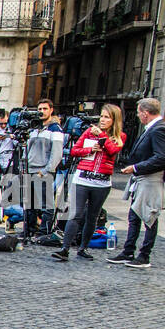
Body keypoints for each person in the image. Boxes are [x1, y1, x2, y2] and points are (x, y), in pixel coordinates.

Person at [53, 104, 126, 263]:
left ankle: (83, 249)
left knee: (92, 216)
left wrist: (101, 136)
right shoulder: (89, 132)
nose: (102, 120)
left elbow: (113, 150)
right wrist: (89, 150)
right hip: (83, 178)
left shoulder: (120, 136)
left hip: (102, 182)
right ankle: (65, 249)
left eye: (107, 117)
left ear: (114, 120)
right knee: (76, 214)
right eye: (101, 116)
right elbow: (74, 150)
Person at [110, 97, 165, 269]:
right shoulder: (154, 128)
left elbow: (161, 158)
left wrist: (136, 167)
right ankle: (129, 251)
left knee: (149, 218)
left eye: (138, 112)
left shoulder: (159, 129)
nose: (137, 115)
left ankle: (144, 255)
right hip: (144, 178)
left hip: (150, 180)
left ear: (145, 113)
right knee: (135, 216)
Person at [25, 99, 65, 237]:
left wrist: (47, 170)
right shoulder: (34, 127)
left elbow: (57, 153)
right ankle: (30, 230)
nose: (41, 111)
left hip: (43, 171)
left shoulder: (55, 129)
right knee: (30, 204)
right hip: (30, 169)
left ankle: (43, 232)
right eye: (40, 109)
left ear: (51, 110)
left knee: (46, 205)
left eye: (44, 109)